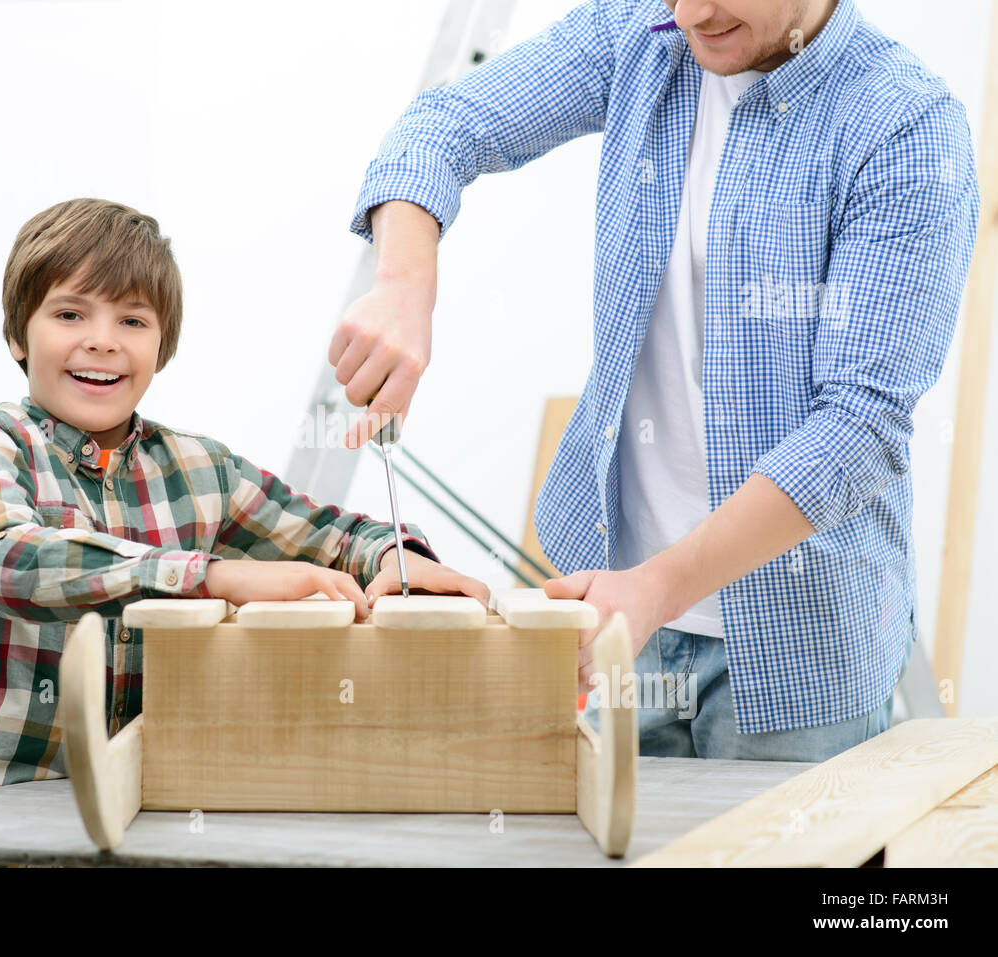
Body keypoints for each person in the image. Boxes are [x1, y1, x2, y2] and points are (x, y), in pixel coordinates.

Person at [331, 0, 980, 760]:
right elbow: (443, 125)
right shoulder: (642, 33)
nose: (691, 13)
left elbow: (857, 429)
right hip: (623, 630)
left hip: (802, 657)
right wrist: (406, 282)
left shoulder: (905, 126)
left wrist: (656, 588)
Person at [0, 197, 489, 807]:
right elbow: (8, 560)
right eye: (69, 314)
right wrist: (216, 577)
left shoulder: (204, 470)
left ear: (162, 347)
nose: (102, 342)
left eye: (133, 322)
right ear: (17, 334)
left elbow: (336, 536)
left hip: (130, 807)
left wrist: (396, 558)